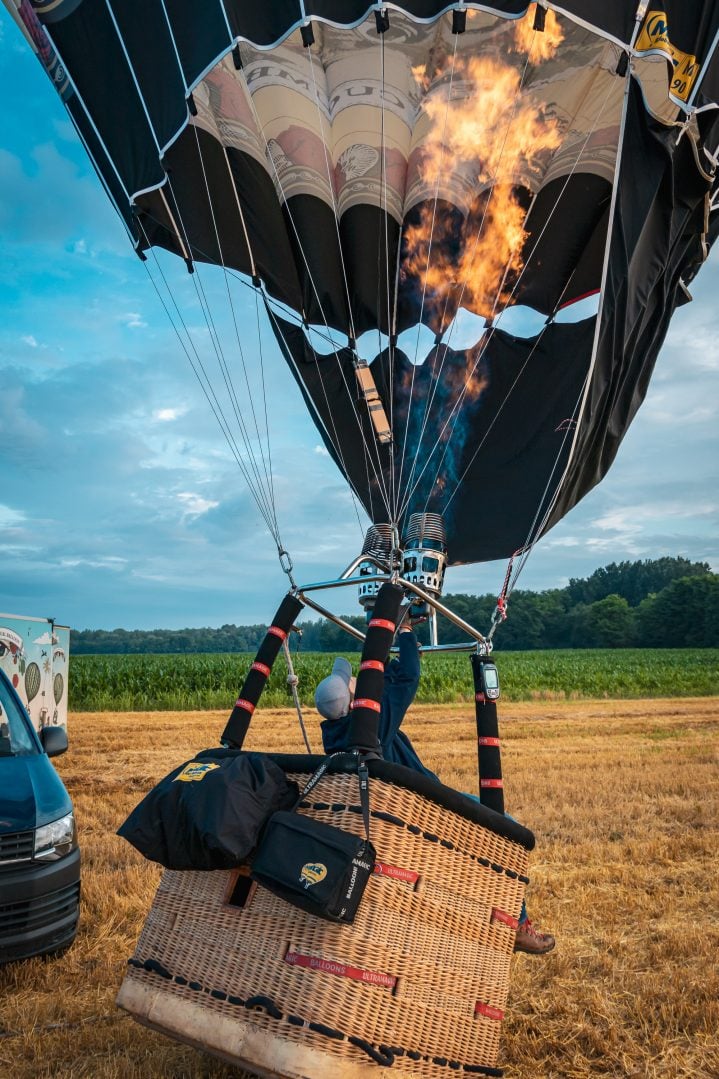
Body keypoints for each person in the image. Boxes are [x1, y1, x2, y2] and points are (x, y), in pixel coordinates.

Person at [314, 618, 555, 955]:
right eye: (353, 681)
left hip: (399, 809)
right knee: (506, 830)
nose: (356, 678)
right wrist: (408, 631)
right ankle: (516, 924)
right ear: (355, 702)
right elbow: (408, 679)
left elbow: (388, 683)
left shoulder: (340, 736)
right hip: (425, 806)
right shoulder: (371, 728)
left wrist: (391, 653)